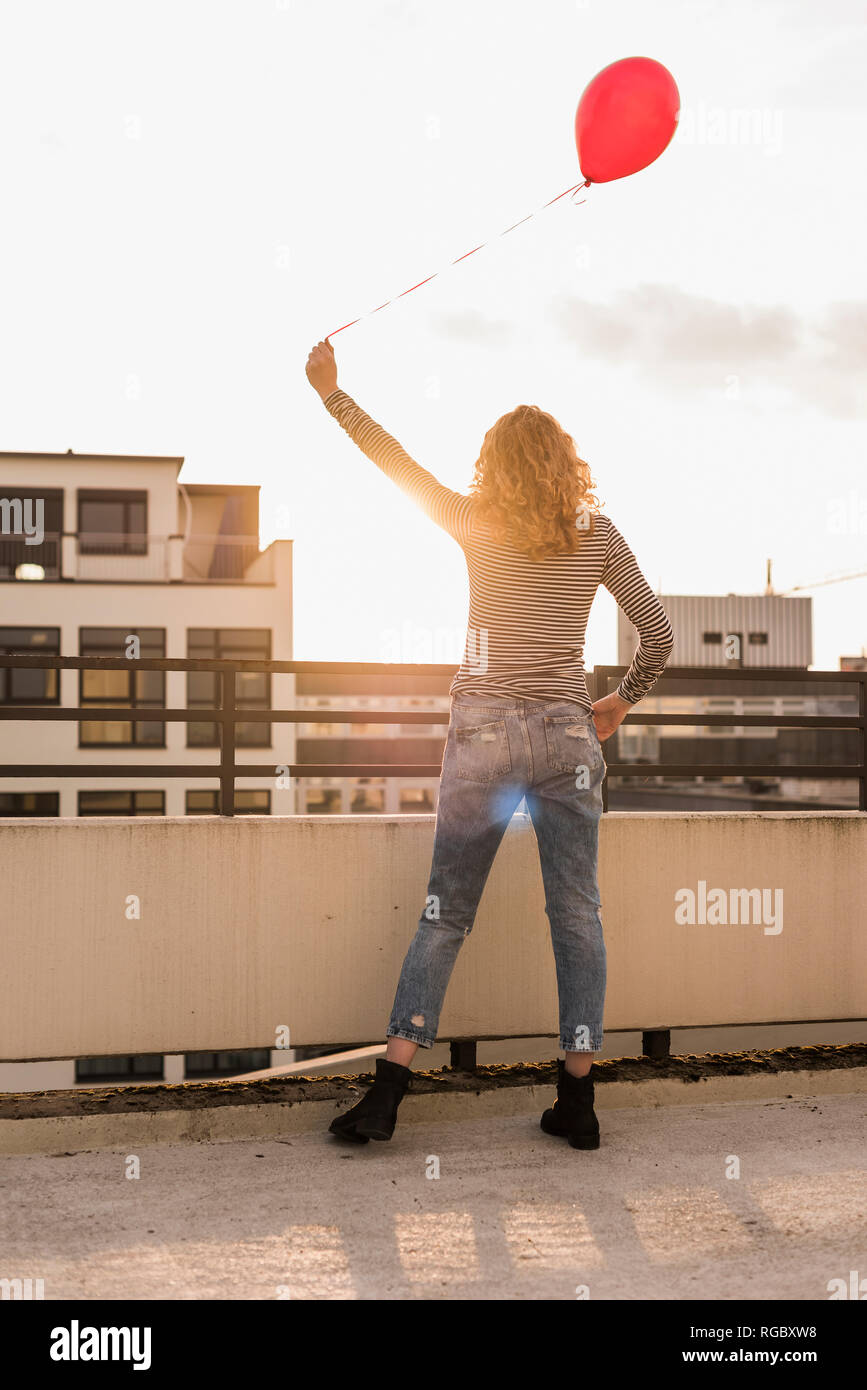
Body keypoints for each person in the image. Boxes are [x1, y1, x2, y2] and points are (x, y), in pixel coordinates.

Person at [305, 338, 674, 1149]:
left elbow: (394, 462)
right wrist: (614, 704)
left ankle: (388, 1094)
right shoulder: (597, 534)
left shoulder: (475, 521)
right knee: (577, 915)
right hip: (566, 737)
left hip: (479, 732)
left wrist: (332, 394)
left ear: (493, 466)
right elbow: (658, 633)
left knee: (445, 914)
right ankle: (576, 1104)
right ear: (565, 466)